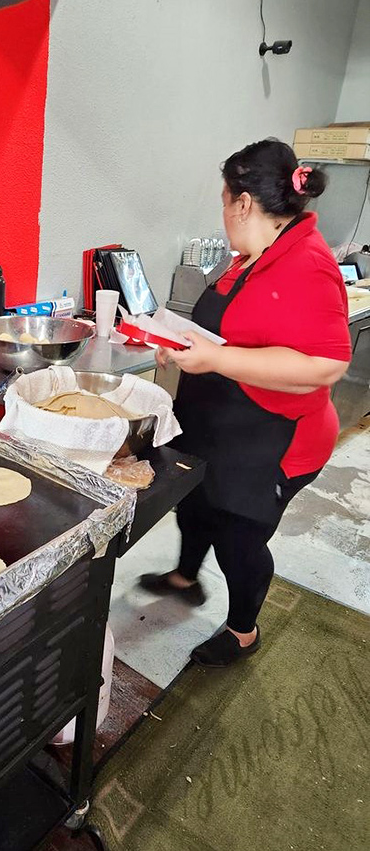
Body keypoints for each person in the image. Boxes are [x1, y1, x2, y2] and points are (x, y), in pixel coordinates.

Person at [141, 139, 351, 667]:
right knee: (195, 503)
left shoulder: (308, 263)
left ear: (242, 203)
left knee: (240, 538)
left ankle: (242, 631)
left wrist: (215, 360)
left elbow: (326, 365)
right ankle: (186, 578)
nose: (224, 210)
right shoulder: (254, 257)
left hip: (273, 439)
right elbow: (238, 336)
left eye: (223, 200)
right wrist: (184, 347)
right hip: (222, 425)